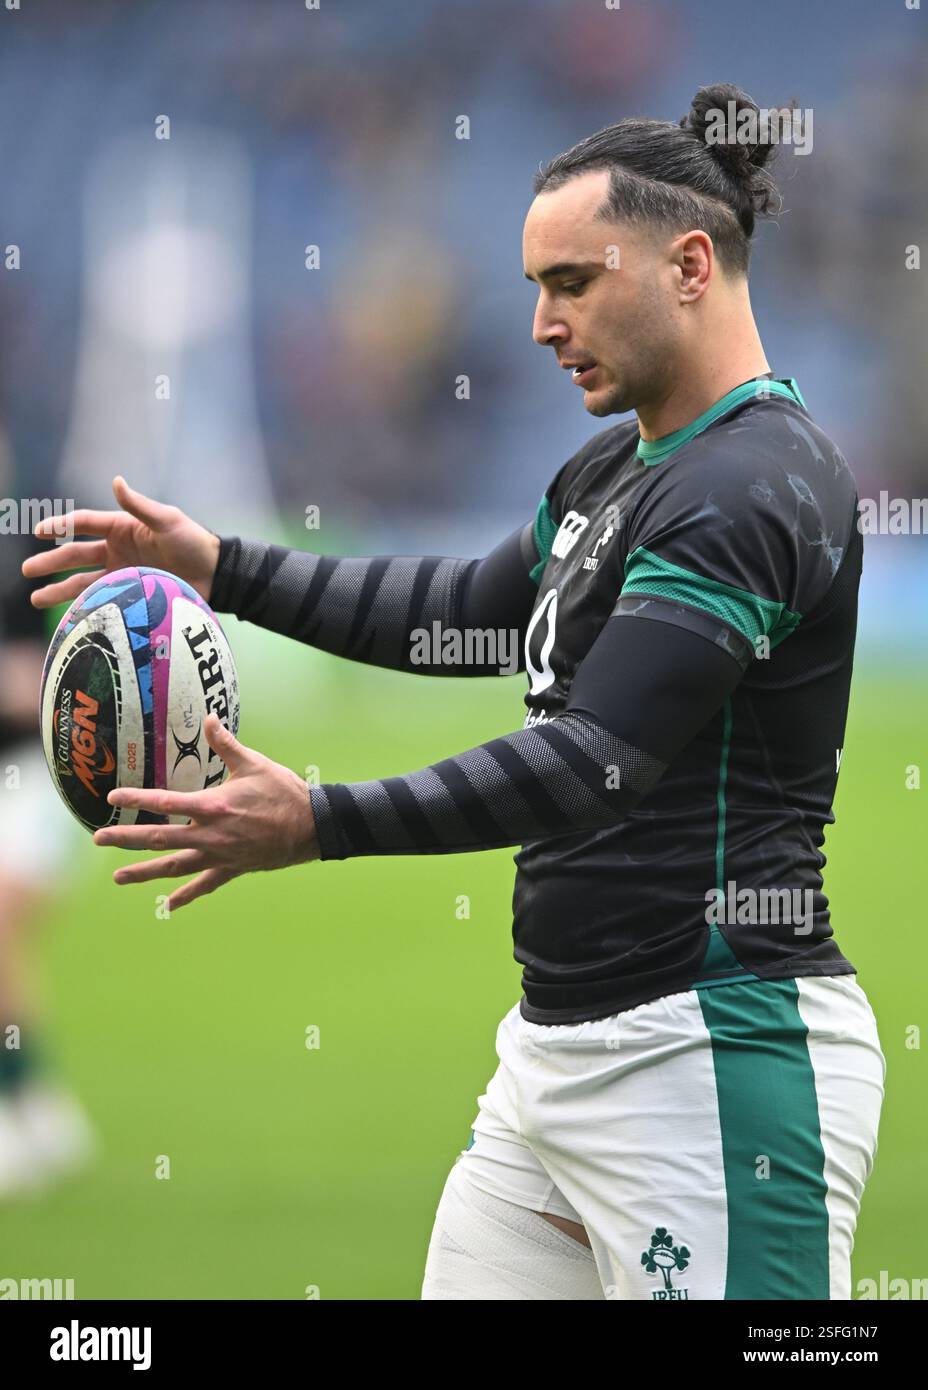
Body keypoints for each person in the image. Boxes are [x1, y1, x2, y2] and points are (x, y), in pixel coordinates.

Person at [23, 84, 884, 1299]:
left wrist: (320, 822)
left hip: (710, 1055)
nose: (540, 322)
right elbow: (461, 617)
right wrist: (217, 567)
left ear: (690, 264)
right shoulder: (616, 465)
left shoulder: (751, 487)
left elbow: (593, 759)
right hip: (552, 1055)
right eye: (538, 285)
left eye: (572, 281)